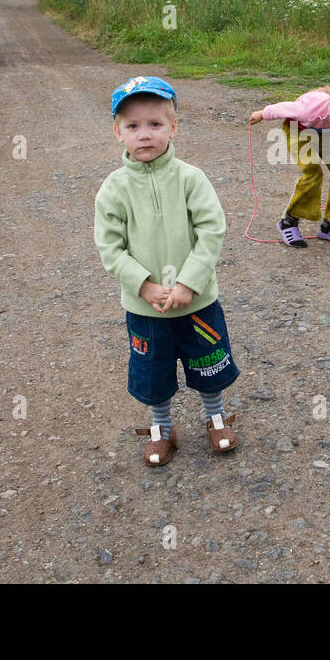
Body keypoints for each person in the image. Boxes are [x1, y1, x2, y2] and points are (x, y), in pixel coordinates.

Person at [94, 76, 241, 467]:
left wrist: (189, 282)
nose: (145, 134)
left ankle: (215, 416)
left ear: (173, 127)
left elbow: (212, 229)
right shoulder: (113, 189)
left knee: (208, 361)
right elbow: (110, 247)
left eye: (155, 124)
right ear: (118, 132)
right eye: (133, 126)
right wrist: (143, 285)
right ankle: (162, 428)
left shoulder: (192, 179)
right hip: (147, 308)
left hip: (197, 302)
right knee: (152, 372)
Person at [249, 81, 330, 246]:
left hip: (326, 133)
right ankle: (288, 222)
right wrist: (262, 114)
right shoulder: (308, 111)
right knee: (313, 172)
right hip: (298, 130)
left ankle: (329, 226)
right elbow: (281, 108)